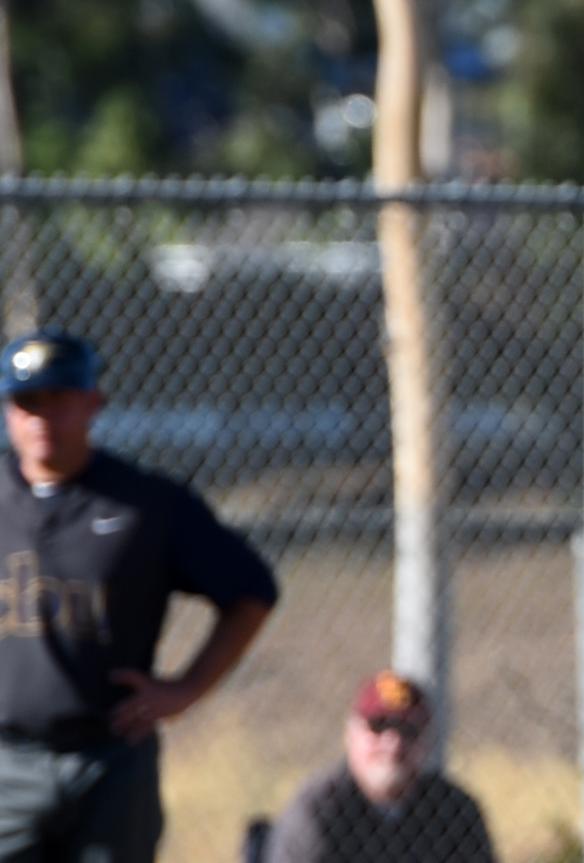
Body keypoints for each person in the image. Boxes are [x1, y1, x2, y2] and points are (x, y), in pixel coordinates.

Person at [0, 328, 278, 863]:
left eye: (59, 398)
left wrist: (186, 689)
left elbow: (251, 591)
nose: (42, 417)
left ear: (93, 401)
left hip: (109, 760)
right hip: (8, 760)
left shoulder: (144, 504)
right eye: (27, 401)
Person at [266, 671, 495, 863]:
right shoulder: (320, 809)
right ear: (351, 733)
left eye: (407, 730)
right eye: (378, 726)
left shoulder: (453, 811)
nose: (392, 744)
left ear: (427, 740)